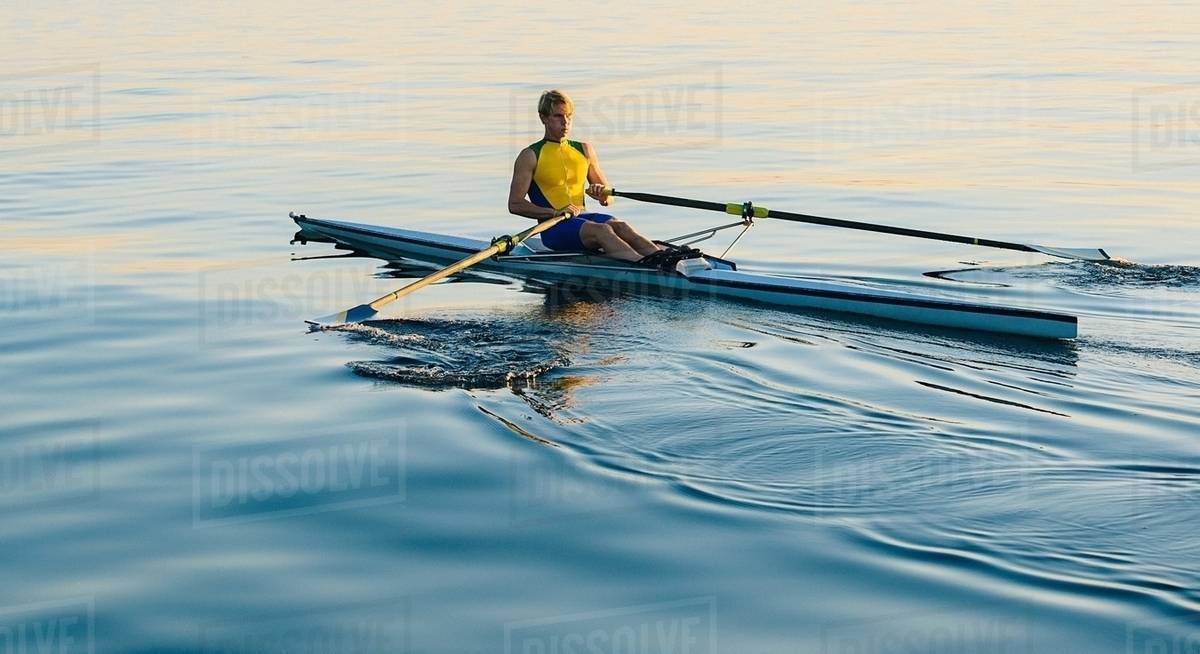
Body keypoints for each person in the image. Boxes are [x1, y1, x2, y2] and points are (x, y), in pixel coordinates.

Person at [507, 90, 665, 264]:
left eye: (568, 116)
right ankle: (644, 264)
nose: (565, 122)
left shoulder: (584, 150)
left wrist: (602, 195)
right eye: (558, 116)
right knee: (602, 231)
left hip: (584, 219)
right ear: (543, 118)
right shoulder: (530, 155)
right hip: (554, 228)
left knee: (621, 226)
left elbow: (608, 199)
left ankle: (662, 258)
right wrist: (554, 212)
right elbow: (515, 204)